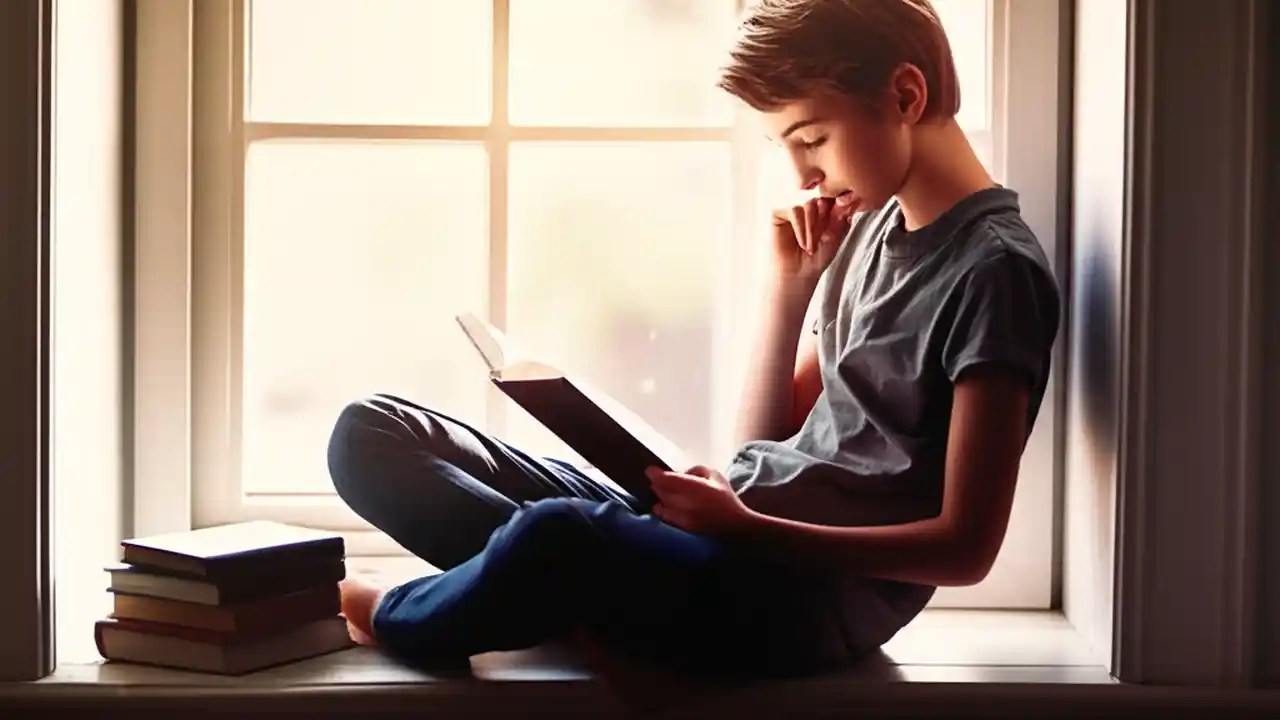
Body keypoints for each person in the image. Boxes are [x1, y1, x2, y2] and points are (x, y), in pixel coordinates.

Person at [329, 0, 1060, 680]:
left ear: (906, 96)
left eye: (812, 139)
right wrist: (788, 287)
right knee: (372, 435)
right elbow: (763, 444)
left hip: (801, 599)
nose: (803, 173)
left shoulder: (996, 272)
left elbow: (964, 550)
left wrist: (748, 530)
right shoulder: (870, 226)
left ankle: (401, 618)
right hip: (734, 539)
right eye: (786, 145)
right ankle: (578, 604)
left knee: (557, 536)